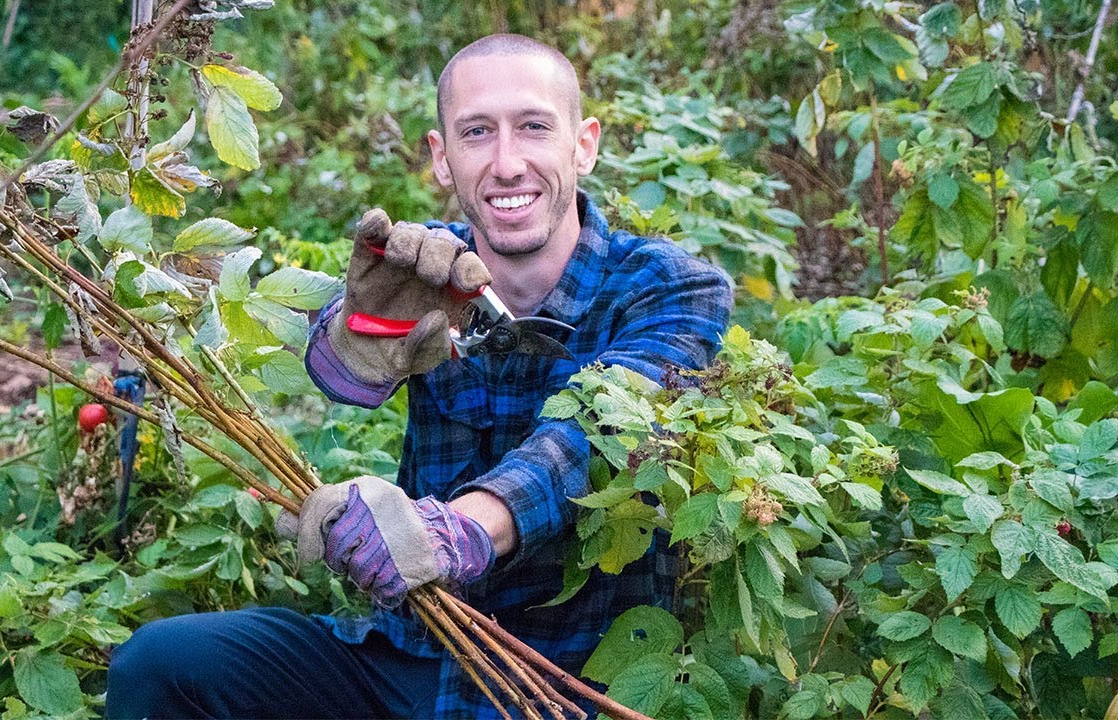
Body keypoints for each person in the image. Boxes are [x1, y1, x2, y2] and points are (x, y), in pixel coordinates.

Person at [105, 33, 732, 719]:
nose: (506, 163)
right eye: (476, 133)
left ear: (583, 145)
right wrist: (357, 345)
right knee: (161, 666)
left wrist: (452, 532)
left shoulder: (671, 288)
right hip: (417, 660)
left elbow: (599, 436)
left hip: (569, 682)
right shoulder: (433, 265)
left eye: (532, 127)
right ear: (442, 157)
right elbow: (337, 374)